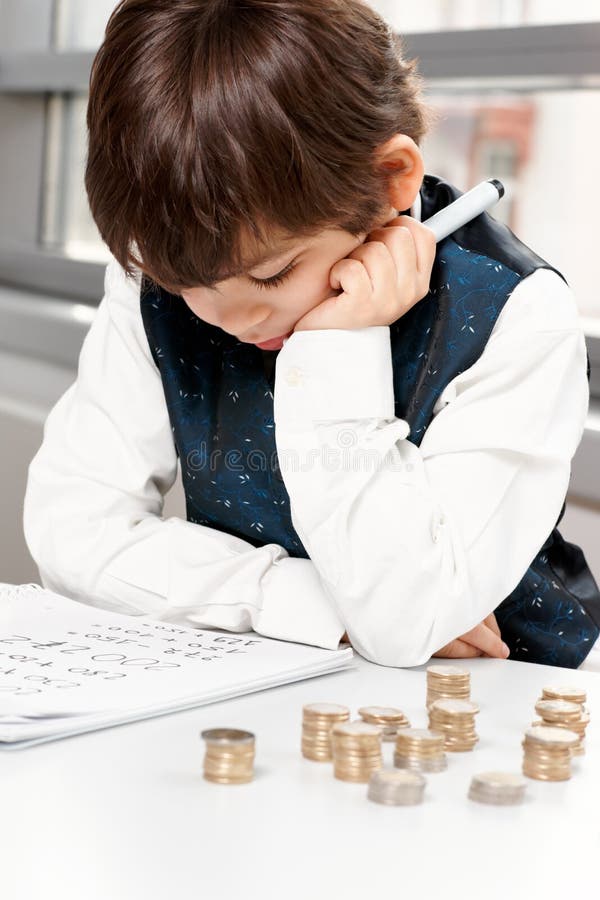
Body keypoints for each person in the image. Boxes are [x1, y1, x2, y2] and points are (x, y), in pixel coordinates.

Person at [23, 0, 600, 669]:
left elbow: (404, 622)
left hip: (513, 702)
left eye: (270, 276)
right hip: (272, 682)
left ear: (391, 179)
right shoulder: (170, 270)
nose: (226, 319)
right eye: (182, 286)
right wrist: (306, 605)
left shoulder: (515, 315)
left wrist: (337, 346)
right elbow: (72, 528)